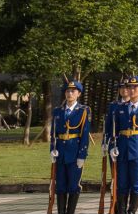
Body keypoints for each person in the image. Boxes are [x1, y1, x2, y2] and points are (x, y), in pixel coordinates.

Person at [108, 75, 138, 214]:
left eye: (135, 87)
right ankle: (121, 211)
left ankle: (132, 211)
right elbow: (113, 131)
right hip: (122, 149)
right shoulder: (120, 108)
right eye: (130, 87)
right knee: (121, 184)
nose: (132, 89)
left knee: (136, 184)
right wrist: (112, 147)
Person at [50, 79, 91, 214]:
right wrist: (52, 149)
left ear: (78, 93)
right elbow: (53, 133)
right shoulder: (57, 111)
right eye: (67, 91)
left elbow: (84, 135)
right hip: (60, 152)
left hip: (74, 152)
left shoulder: (83, 110)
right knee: (60, 185)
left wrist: (82, 155)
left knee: (73, 185)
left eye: (73, 91)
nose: (69, 93)